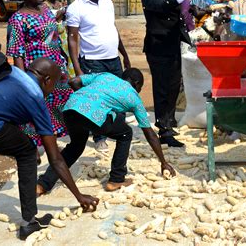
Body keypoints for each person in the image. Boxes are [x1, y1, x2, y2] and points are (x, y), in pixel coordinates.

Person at [0, 57, 99, 240]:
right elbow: (55, 159)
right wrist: (79, 196)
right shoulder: (35, 97)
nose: (53, 90)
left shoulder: (12, 72)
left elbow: (5, 107)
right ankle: (29, 222)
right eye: (54, 84)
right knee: (26, 152)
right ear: (47, 80)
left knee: (26, 146)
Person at [37, 68, 176, 194]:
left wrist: (85, 101)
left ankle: (43, 184)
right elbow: (150, 134)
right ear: (136, 83)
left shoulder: (105, 76)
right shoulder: (134, 97)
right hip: (93, 115)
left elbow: (73, 81)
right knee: (126, 133)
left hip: (70, 108)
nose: (139, 90)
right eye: (140, 87)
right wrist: (163, 162)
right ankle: (116, 179)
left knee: (75, 147)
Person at [66, 0, 131, 152]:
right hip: (93, 62)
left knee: (118, 95)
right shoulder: (76, 8)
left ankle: (120, 131)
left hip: (113, 60)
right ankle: (99, 136)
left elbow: (113, 29)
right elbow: (72, 39)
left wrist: (124, 54)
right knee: (98, 100)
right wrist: (78, 70)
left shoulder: (108, 3)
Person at [7, 0, 73, 151]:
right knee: (37, 103)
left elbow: (54, 36)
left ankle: (56, 133)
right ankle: (34, 142)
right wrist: (24, 80)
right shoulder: (18, 19)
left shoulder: (45, 10)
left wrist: (63, 61)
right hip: (35, 68)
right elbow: (16, 52)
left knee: (61, 97)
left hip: (56, 64)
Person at [141, 0, 199, 147]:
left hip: (173, 45)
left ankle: (169, 121)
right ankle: (164, 131)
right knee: (161, 88)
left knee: (174, 86)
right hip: (157, 48)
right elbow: (165, 6)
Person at [44, 0, 75, 77]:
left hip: (63, 34)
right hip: (51, 34)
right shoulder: (45, 6)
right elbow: (47, 21)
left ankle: (69, 77)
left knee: (67, 55)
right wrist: (58, 16)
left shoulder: (60, 4)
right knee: (56, 55)